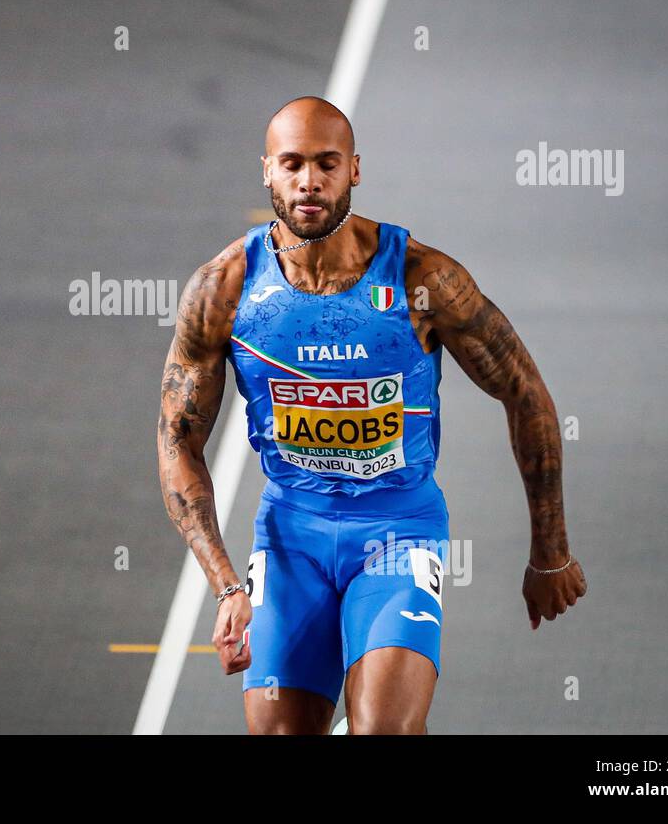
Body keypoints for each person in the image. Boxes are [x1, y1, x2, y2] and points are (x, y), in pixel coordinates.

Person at [156, 96, 586, 734]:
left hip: (399, 533)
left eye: (326, 164)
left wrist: (549, 551)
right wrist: (225, 585)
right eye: (292, 164)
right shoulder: (223, 290)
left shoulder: (424, 280)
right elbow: (176, 443)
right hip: (290, 538)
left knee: (384, 730)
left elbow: (524, 392)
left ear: (354, 169)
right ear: (267, 172)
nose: (309, 181)